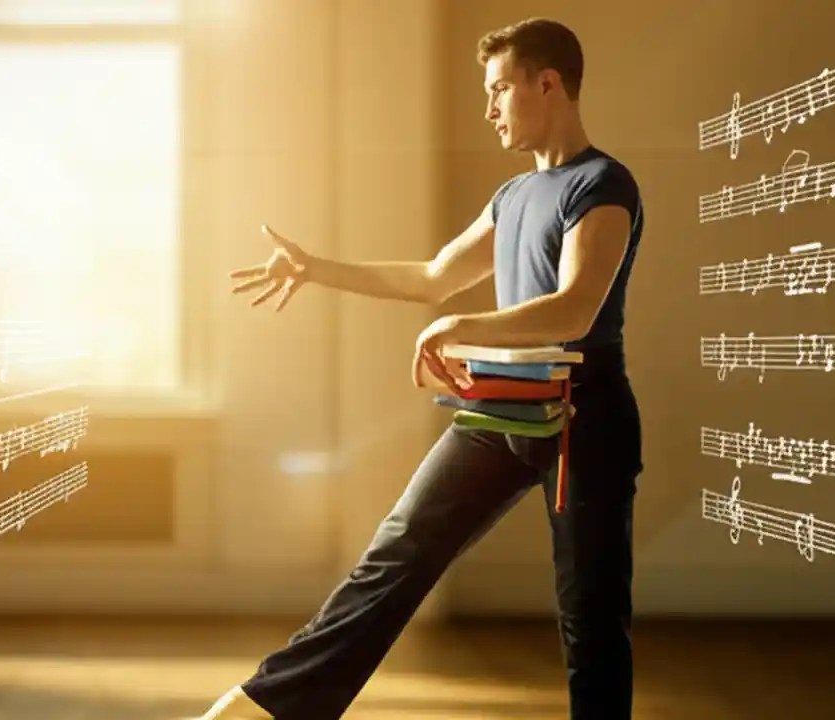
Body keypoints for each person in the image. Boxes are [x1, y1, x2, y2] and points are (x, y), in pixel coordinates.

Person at [203, 16, 645, 720]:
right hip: (498, 409)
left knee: (590, 617)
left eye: (500, 89)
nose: (490, 108)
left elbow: (573, 309)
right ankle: (268, 710)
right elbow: (434, 276)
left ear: (548, 83)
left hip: (583, 418)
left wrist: (460, 328)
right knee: (394, 559)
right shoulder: (512, 196)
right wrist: (315, 268)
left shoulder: (603, 184)